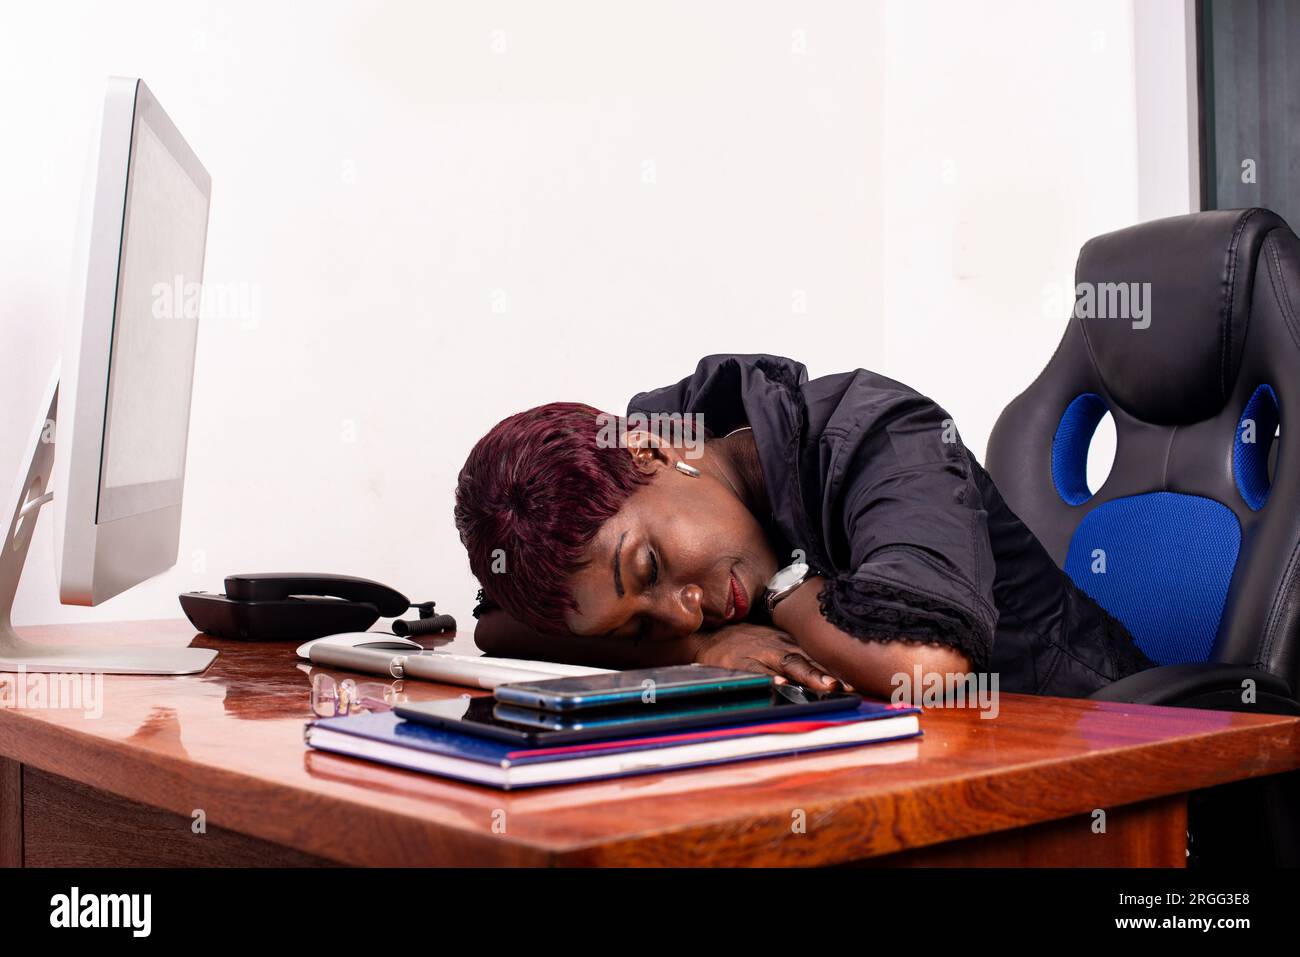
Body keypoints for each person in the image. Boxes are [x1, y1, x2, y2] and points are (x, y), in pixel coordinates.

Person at [454, 353, 1154, 699]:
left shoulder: (881, 434)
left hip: (1107, 747)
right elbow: (498, 627)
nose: (682, 611)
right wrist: (704, 651)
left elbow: (926, 669)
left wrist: (787, 590)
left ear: (651, 451)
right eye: (639, 623)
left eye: (650, 569)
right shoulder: (648, 458)